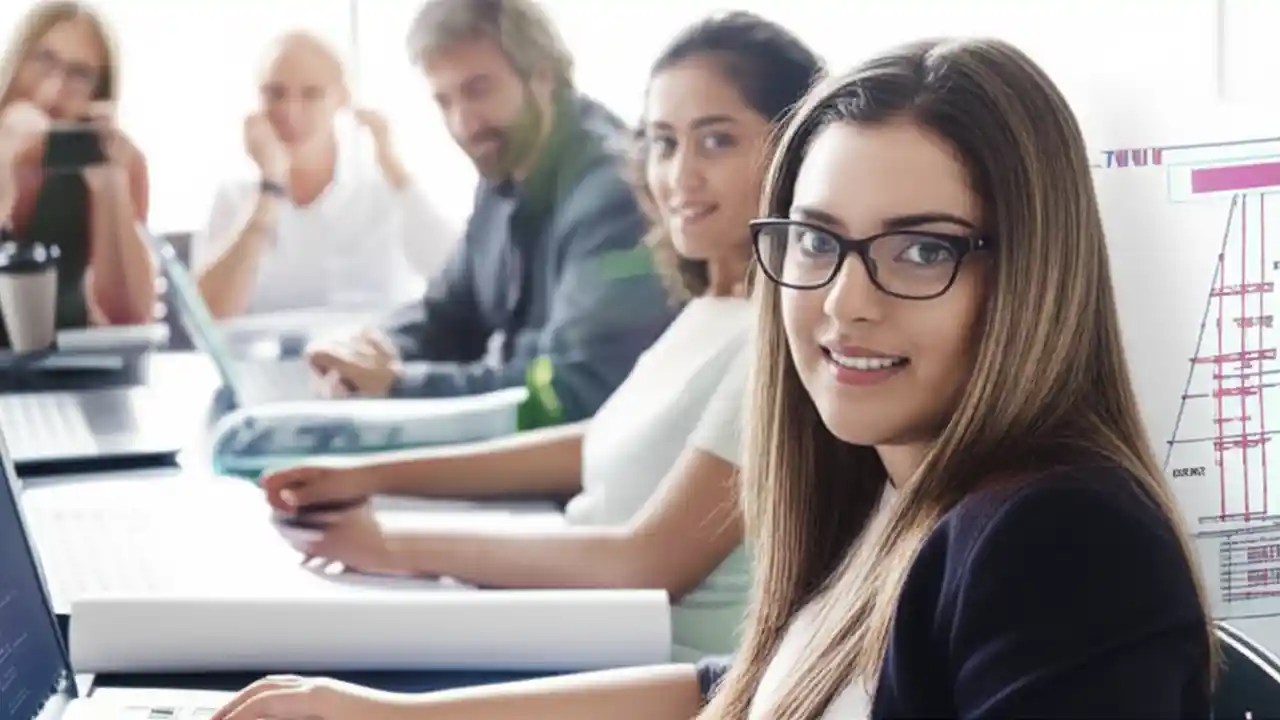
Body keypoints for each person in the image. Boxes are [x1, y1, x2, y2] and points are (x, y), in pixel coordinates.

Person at [209, 37, 1214, 720]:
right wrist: (387, 715)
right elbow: (740, 688)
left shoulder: (1056, 545)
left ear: (1030, 269)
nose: (841, 303)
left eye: (918, 251)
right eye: (813, 240)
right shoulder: (886, 477)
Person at [254, 12, 824, 663]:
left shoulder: (783, 332)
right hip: (582, 627)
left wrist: (390, 543)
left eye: (717, 141)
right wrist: (368, 475)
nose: (679, 175)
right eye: (664, 142)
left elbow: (647, 563)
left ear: (797, 149)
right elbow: (603, 435)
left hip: (649, 669)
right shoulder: (716, 300)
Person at [304, 0, 674, 424]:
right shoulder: (505, 170)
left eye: (478, 90)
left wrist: (396, 385)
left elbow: (575, 393)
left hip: (578, 472)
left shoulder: (615, 194)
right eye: (444, 102)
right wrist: (371, 350)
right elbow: (449, 313)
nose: (464, 124)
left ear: (543, 77)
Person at [193, 31, 456, 319]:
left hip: (369, 356)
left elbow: (454, 274)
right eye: (275, 94)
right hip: (262, 361)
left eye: (311, 94)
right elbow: (207, 315)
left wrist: (395, 170)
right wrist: (269, 189)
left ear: (341, 99)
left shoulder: (380, 190)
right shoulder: (235, 196)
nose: (290, 111)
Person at [0, 0, 155, 346]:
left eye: (80, 74)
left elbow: (128, 318)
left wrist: (110, 190)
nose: (54, 89)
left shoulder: (120, 162)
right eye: (44, 60)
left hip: (69, 372)